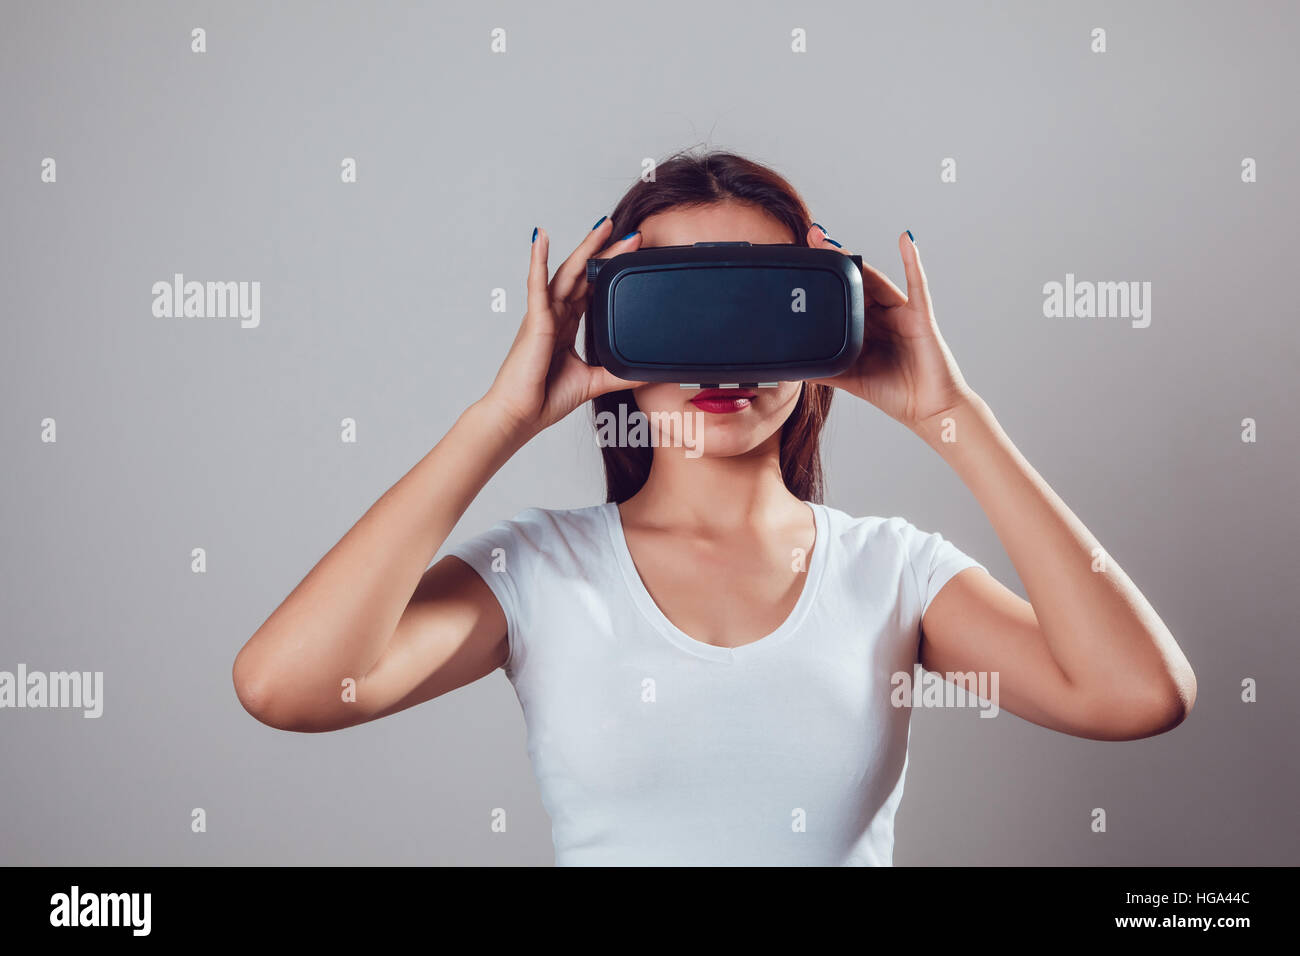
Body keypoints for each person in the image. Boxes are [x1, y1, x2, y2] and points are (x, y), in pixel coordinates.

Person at [232, 149, 1197, 865]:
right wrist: (501, 417)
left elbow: (1137, 695)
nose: (721, 354)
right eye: (678, 304)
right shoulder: (540, 573)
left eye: (762, 302)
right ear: (603, 328)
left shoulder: (892, 572)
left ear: (827, 325)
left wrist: (952, 417)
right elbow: (287, 686)